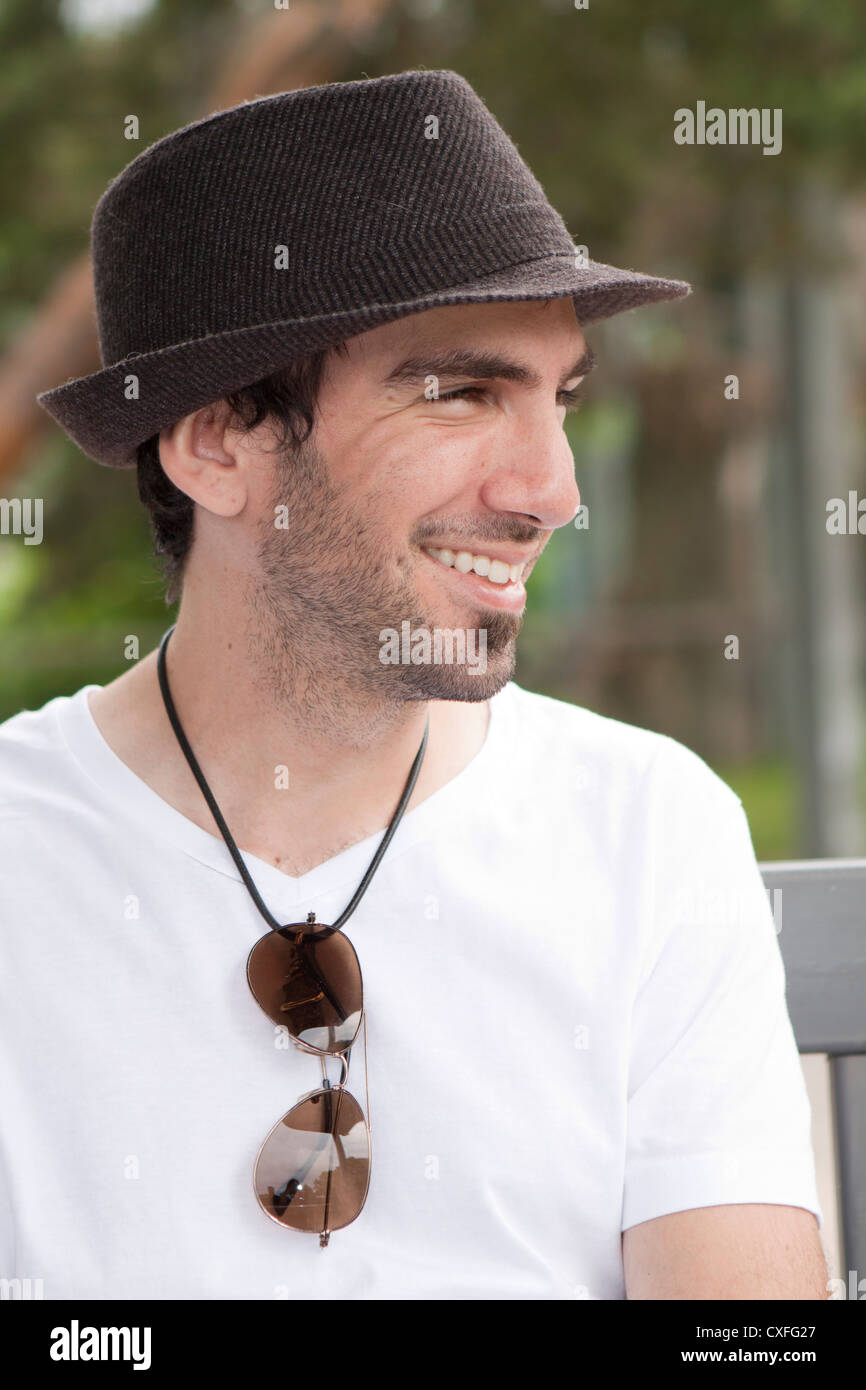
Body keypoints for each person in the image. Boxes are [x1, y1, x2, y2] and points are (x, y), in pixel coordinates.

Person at [1, 69, 826, 1300]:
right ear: (216, 440)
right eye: (460, 392)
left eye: (559, 400)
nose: (550, 491)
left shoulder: (648, 830)